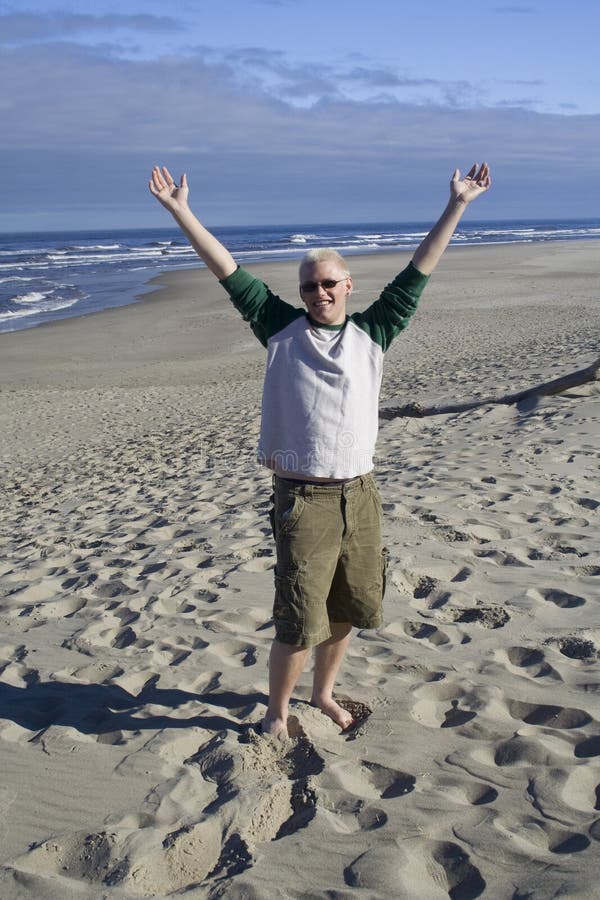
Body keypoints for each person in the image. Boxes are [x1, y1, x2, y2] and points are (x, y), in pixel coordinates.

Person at [149, 162, 491, 738]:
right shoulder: (279, 328)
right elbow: (228, 271)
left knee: (345, 609)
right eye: (310, 285)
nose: (320, 292)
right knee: (298, 616)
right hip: (303, 498)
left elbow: (418, 271)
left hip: (361, 493)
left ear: (347, 286)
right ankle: (277, 712)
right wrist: (182, 211)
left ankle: (324, 694)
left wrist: (457, 204)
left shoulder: (373, 332)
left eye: (329, 283)